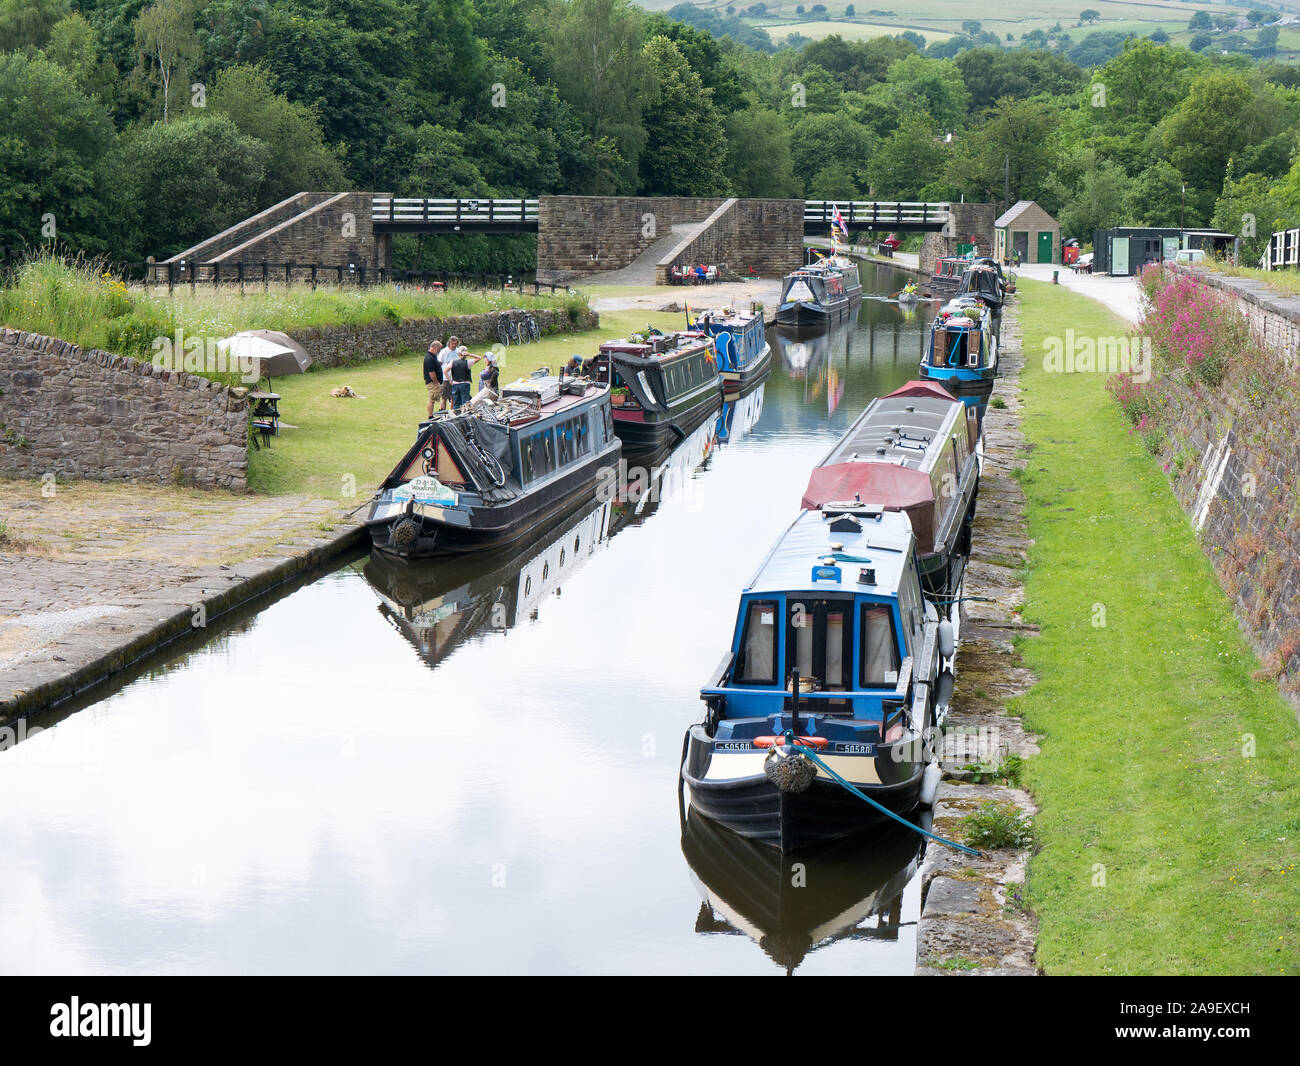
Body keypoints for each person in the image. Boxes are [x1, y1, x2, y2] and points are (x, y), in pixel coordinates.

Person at [450, 345, 481, 411]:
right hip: (465, 384)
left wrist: (450, 380)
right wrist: (469, 354)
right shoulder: (468, 362)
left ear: (458, 353)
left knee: (456, 403)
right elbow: (479, 358)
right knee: (465, 403)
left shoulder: (453, 362)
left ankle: (456, 416)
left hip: (455, 384)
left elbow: (445, 371)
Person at [438, 336, 459, 411]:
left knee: (454, 396)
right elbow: (439, 364)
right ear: (449, 343)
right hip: (445, 378)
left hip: (456, 378)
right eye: (452, 344)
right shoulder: (444, 352)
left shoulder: (458, 351)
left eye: (455, 344)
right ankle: (442, 412)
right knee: (444, 397)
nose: (454, 345)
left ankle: (452, 412)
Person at [423, 341, 444, 418]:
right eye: (439, 349)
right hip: (432, 382)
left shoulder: (433, 356)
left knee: (434, 399)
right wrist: (436, 383)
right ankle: (430, 416)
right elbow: (431, 372)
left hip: (435, 382)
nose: (439, 351)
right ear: (435, 348)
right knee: (432, 399)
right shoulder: (429, 358)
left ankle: (431, 415)